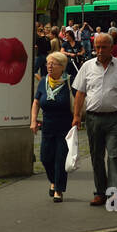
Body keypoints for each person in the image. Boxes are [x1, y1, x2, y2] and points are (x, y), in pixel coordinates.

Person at [71, 33, 117, 207]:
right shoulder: (87, 66)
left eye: (103, 47)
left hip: (115, 118)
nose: (99, 51)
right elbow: (80, 93)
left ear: (111, 47)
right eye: (97, 47)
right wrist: (77, 116)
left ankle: (113, 195)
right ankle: (100, 192)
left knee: (114, 157)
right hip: (93, 119)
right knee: (96, 157)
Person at [31, 51, 73, 203]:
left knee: (60, 159)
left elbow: (79, 99)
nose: (49, 66)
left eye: (53, 64)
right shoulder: (43, 82)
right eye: (48, 63)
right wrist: (33, 121)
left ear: (61, 67)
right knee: (45, 158)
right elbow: (36, 102)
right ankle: (53, 181)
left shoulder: (69, 81)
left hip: (65, 126)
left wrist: (77, 119)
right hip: (47, 125)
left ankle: (59, 189)